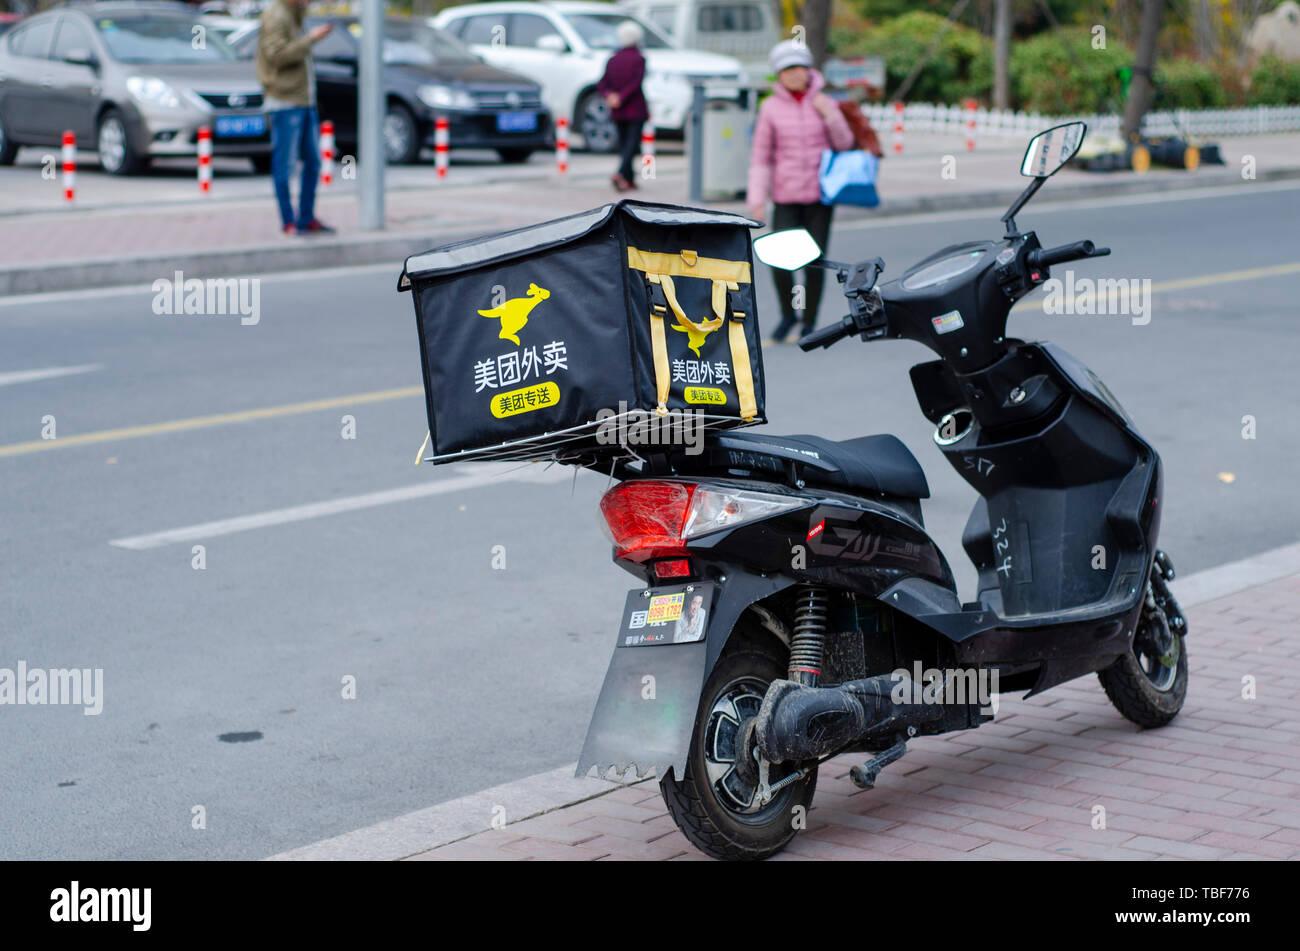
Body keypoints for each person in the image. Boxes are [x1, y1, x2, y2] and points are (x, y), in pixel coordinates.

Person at [747, 40, 855, 343]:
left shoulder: (824, 102)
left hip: (820, 197)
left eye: (800, 68)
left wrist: (830, 115)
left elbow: (844, 144)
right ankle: (787, 315)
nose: (795, 74)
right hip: (785, 197)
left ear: (809, 71)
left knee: (814, 259)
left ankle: (809, 321)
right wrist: (757, 199)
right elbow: (761, 157)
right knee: (780, 260)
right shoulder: (769, 108)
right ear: (778, 75)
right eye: (787, 69)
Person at [256, 0, 335, 236]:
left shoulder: (293, 13)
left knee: (313, 162)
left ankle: (306, 217)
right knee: (285, 164)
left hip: (304, 100)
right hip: (285, 101)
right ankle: (288, 221)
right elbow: (277, 56)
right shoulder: (276, 15)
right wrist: (311, 38)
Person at [597, 21, 649, 193]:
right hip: (634, 108)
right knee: (632, 144)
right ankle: (620, 174)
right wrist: (622, 96)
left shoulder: (612, 59)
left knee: (623, 144)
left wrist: (610, 96)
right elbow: (636, 83)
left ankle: (629, 179)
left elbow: (602, 83)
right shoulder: (639, 59)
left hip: (617, 109)